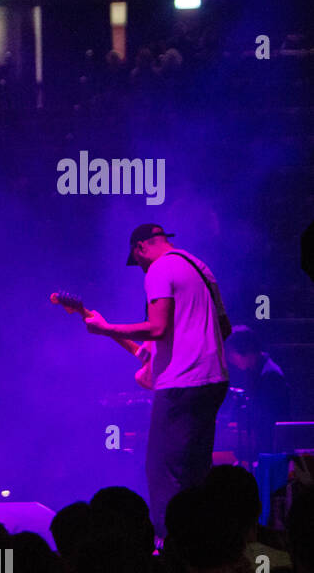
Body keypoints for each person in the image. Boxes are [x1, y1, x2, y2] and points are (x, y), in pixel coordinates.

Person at [83, 224, 230, 537]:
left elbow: (157, 327)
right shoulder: (200, 267)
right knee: (194, 470)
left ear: (140, 249)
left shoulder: (159, 269)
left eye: (138, 263)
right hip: (213, 380)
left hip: (183, 386)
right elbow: (223, 328)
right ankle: (202, 540)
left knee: (162, 470)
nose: (142, 270)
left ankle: (168, 544)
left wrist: (106, 329)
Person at [225, 325, 291, 459]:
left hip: (270, 450)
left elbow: (268, 420)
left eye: (232, 354)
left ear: (247, 352)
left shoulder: (270, 376)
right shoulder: (257, 371)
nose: (231, 360)